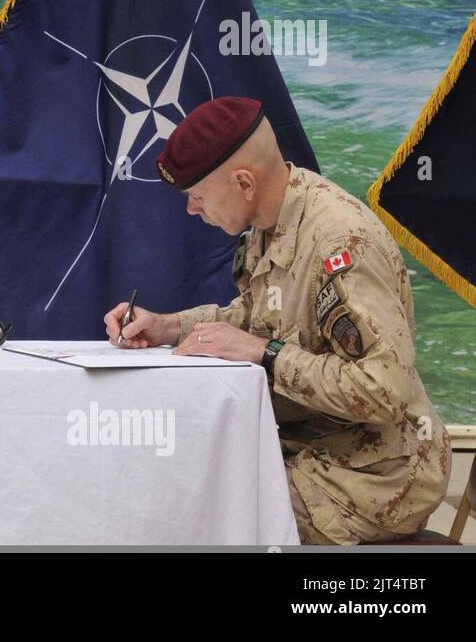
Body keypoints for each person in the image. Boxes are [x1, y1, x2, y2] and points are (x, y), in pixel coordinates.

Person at [103, 96, 451, 544]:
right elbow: (258, 315)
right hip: (313, 446)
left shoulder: (341, 244)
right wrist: (169, 327)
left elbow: (385, 390)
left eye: (197, 196)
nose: (192, 210)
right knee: (169, 480)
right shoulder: (273, 222)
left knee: (196, 515)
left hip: (377, 478)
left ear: (244, 183)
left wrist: (266, 355)